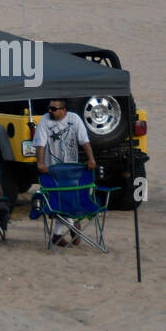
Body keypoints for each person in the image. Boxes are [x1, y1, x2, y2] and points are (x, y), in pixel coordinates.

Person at [34, 99, 96, 246]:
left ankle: (60, 233)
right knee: (58, 200)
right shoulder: (44, 120)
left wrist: (91, 159)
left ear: (63, 110)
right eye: (49, 108)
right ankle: (72, 227)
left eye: (54, 109)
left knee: (71, 198)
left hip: (71, 167)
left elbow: (84, 141)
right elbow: (40, 144)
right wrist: (40, 163)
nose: (50, 111)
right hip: (53, 168)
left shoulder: (74, 119)